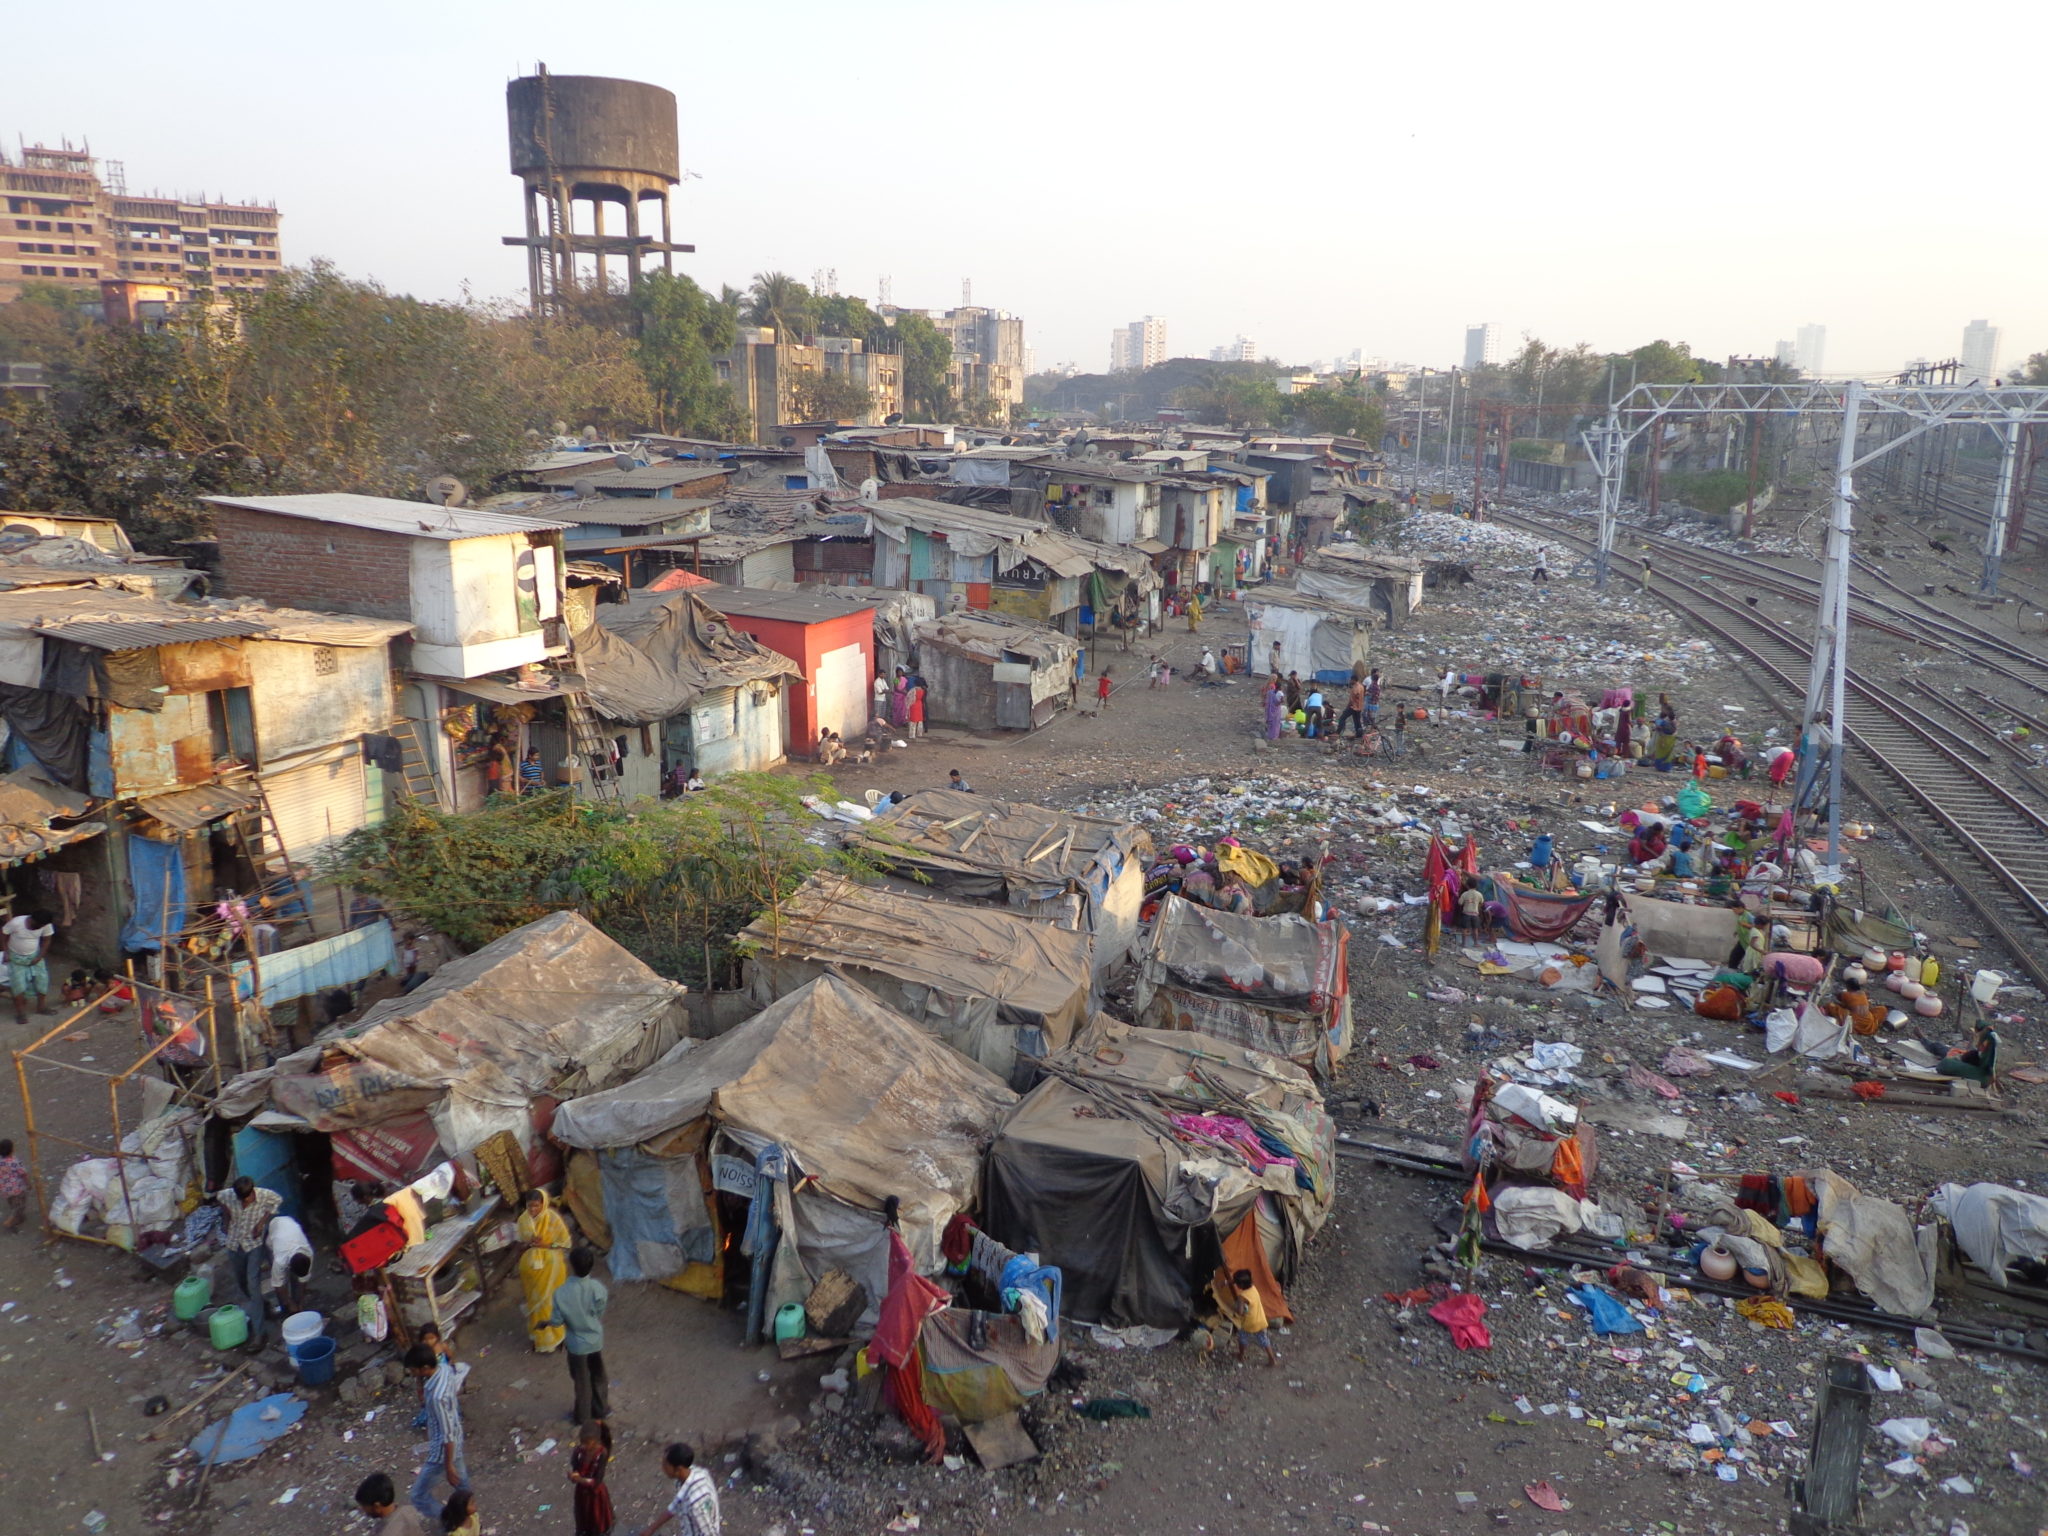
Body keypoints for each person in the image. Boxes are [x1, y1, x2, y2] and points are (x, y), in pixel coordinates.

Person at [406, 1341, 470, 1521]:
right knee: (462, 1483)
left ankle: (451, 1520)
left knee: (418, 1496)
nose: (412, 1374)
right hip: (456, 1439)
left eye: (414, 1371)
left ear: (425, 1367)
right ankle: (470, 1518)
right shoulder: (443, 1369)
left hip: (442, 1451)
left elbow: (447, 1435)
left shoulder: (437, 1397)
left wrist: (447, 1466)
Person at [550, 1246, 611, 1429]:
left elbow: (556, 1320)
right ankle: (601, 1409)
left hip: (576, 1344)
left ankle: (582, 1417)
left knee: (581, 1380)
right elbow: (599, 1311)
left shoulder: (561, 1293)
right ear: (591, 1266)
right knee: (599, 1375)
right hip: (594, 1340)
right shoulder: (598, 1288)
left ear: (571, 1266)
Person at [216, 1176, 281, 1341]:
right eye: (242, 1201)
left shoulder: (264, 1195)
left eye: (248, 1200)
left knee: (253, 1284)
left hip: (254, 1245)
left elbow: (277, 1201)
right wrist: (226, 1219)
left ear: (252, 1193)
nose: (246, 1203)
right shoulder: (228, 1195)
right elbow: (220, 1199)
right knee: (242, 1284)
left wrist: (261, 1223)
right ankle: (264, 1306)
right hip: (234, 1244)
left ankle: (259, 1333)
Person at [517, 1188, 572, 1353]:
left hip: (552, 1268)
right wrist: (529, 1243)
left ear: (544, 1204)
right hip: (531, 1270)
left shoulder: (553, 1219)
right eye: (529, 1206)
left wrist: (546, 1246)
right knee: (536, 1306)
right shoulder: (523, 1221)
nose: (533, 1210)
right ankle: (541, 1340)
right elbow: (520, 1244)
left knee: (552, 1303)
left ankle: (558, 1337)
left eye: (536, 1206)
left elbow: (565, 1243)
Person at [639, 1441, 720, 1536]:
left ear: (678, 1469)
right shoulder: (695, 1473)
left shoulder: (695, 1502)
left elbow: (709, 1533)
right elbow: (677, 1504)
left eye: (665, 1465)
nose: (663, 1468)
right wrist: (651, 1529)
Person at [4, 907, 54, 1024]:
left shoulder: (45, 925)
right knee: (19, 986)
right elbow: (3, 934)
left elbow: (47, 940)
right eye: (37, 925)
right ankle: (21, 1014)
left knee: (42, 980)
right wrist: (6, 951)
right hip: (16, 958)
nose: (39, 928)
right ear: (31, 919)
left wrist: (40, 957)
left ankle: (41, 1007)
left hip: (35, 956)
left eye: (41, 926)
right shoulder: (16, 922)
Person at [264, 1211, 314, 1321]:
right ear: (290, 1266)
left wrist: (300, 1301)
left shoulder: (308, 1254)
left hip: (289, 1222)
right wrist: (289, 1302)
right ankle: (285, 1308)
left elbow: (303, 1281)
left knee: (297, 1286)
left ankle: (296, 1306)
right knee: (281, 1281)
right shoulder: (280, 1260)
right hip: (273, 1230)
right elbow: (277, 1285)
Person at [569, 1420, 616, 1536]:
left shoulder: (602, 1453)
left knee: (596, 1518)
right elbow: (575, 1467)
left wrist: (580, 1479)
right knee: (583, 1516)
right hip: (582, 1492)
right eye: (582, 1442)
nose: (584, 1446)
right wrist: (573, 1476)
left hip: (595, 1493)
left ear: (595, 1441)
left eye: (587, 1443)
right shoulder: (579, 1451)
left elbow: (597, 1481)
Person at [356, 1471, 436, 1536]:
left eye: (364, 1506)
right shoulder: (410, 1510)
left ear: (377, 1506)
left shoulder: (385, 1532)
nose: (363, 1509)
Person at [1226, 1269, 1277, 1366]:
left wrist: (1233, 1308)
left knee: (1242, 1338)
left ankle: (1241, 1355)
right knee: (1264, 1340)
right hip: (1260, 1320)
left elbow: (1240, 1312)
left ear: (1240, 1285)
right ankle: (1272, 1359)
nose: (1235, 1284)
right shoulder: (1253, 1288)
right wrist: (1226, 1282)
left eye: (1236, 1283)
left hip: (1249, 1323)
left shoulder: (1242, 1297)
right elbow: (1237, 1281)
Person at [1926, 1020, 1999, 1083]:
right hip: (1964, 1056)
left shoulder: (1955, 1062)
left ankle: (1923, 1038)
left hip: (1958, 1057)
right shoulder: (1984, 1056)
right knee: (1939, 1047)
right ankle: (1924, 1039)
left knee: (1937, 1046)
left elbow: (1943, 1065)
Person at [0, 1136, 28, 1232]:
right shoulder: (14, 1162)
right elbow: (23, 1173)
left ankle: (19, 1218)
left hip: (5, 1189)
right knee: (19, 1206)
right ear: (12, 1149)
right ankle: (9, 1222)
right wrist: (28, 1184)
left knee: (12, 1203)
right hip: (17, 1189)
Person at [1338, 673, 1366, 740]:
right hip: (1359, 707)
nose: (1350, 681)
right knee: (1357, 721)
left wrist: (1347, 708)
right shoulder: (1361, 686)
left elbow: (1351, 700)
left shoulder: (1354, 688)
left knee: (1342, 718)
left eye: (1351, 680)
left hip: (1353, 707)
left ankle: (1338, 732)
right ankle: (1359, 734)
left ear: (1353, 680)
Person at [1263, 677, 1284, 742]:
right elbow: (1281, 701)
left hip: (1270, 710)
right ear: (1280, 686)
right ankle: (1274, 737)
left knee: (1270, 723)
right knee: (1276, 724)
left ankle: (1269, 736)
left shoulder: (1270, 692)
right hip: (1276, 711)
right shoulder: (1280, 693)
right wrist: (1279, 702)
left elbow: (1267, 699)